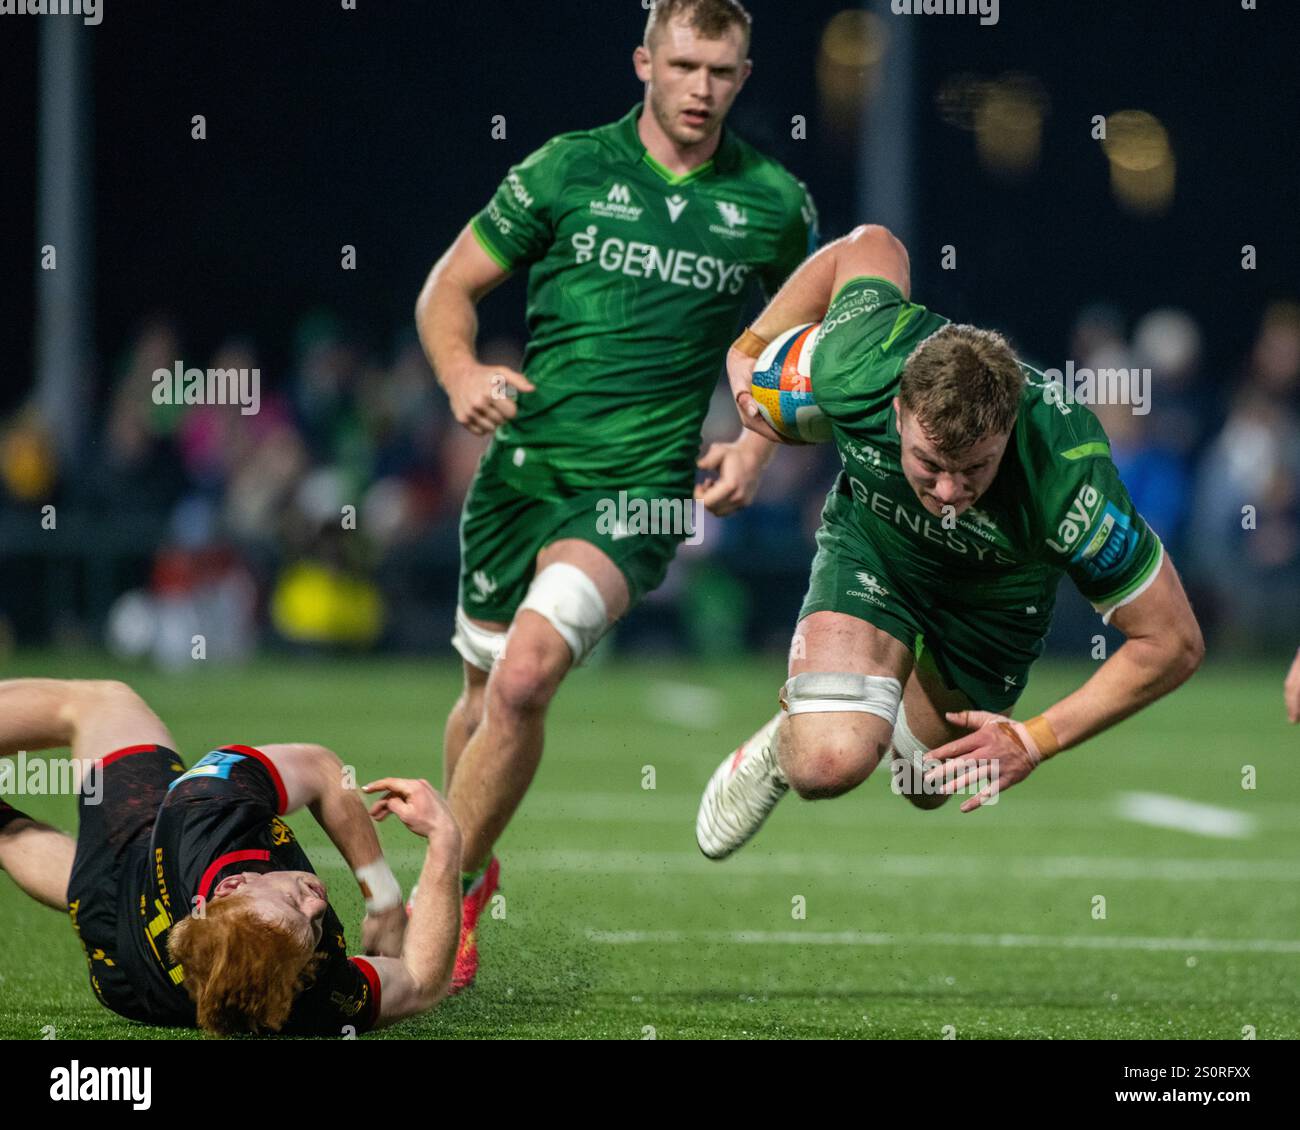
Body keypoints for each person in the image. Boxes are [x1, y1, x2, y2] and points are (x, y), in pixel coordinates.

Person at [414, 0, 817, 988]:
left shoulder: (773, 204)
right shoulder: (565, 168)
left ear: (744, 76)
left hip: (639, 496)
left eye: (722, 72)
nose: (701, 89)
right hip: (520, 474)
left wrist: (757, 442)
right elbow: (445, 291)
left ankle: (436, 894)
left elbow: (803, 347)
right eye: (683, 65)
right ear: (644, 61)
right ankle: (471, 862)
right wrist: (462, 374)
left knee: (523, 677)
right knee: (478, 692)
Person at [696, 224, 1205, 856]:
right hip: (878, 548)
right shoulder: (858, 362)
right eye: (929, 464)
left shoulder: (1068, 480)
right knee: (828, 763)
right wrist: (749, 367)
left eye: (974, 470)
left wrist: (1035, 739)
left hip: (993, 602)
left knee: (923, 778)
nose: (947, 493)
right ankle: (790, 738)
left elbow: (1174, 642)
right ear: (899, 413)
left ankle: (843, 700)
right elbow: (870, 244)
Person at [0, 678, 460, 1035]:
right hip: (133, 980)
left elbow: (322, 769)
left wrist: (389, 889)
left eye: (297, 909)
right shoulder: (313, 992)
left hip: (133, 885)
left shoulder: (206, 806)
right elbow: (420, 983)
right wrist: (438, 848)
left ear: (233, 886)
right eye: (315, 925)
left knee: (102, 704)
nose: (317, 903)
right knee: (42, 848)